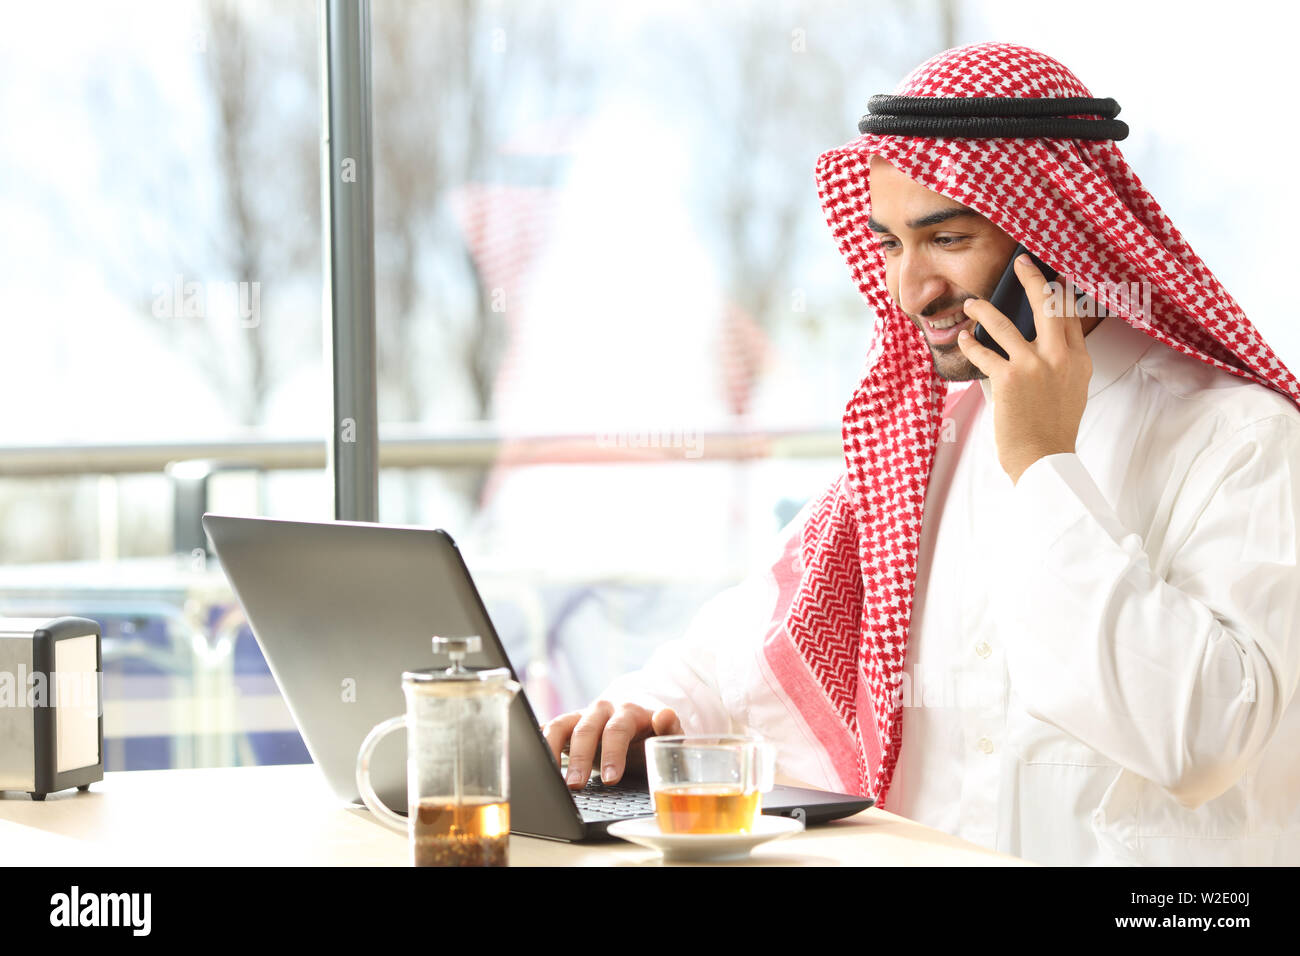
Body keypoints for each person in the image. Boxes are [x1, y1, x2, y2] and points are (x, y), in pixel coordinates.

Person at [542, 41, 1300, 865]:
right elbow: (758, 635)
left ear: (1058, 234)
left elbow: (1202, 741)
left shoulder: (1242, 437)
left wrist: (1044, 463)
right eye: (892, 245)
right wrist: (648, 710)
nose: (911, 290)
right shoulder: (925, 426)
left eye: (945, 238)